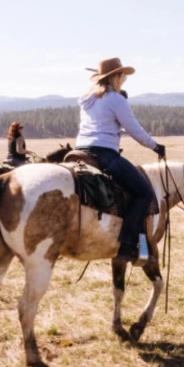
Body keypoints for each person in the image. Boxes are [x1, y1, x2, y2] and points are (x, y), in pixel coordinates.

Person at [75, 57, 166, 264]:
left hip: (80, 151)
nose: (124, 79)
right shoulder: (116, 99)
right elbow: (134, 128)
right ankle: (127, 245)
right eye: (122, 75)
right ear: (115, 76)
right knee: (144, 192)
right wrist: (155, 146)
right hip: (104, 154)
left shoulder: (88, 98)